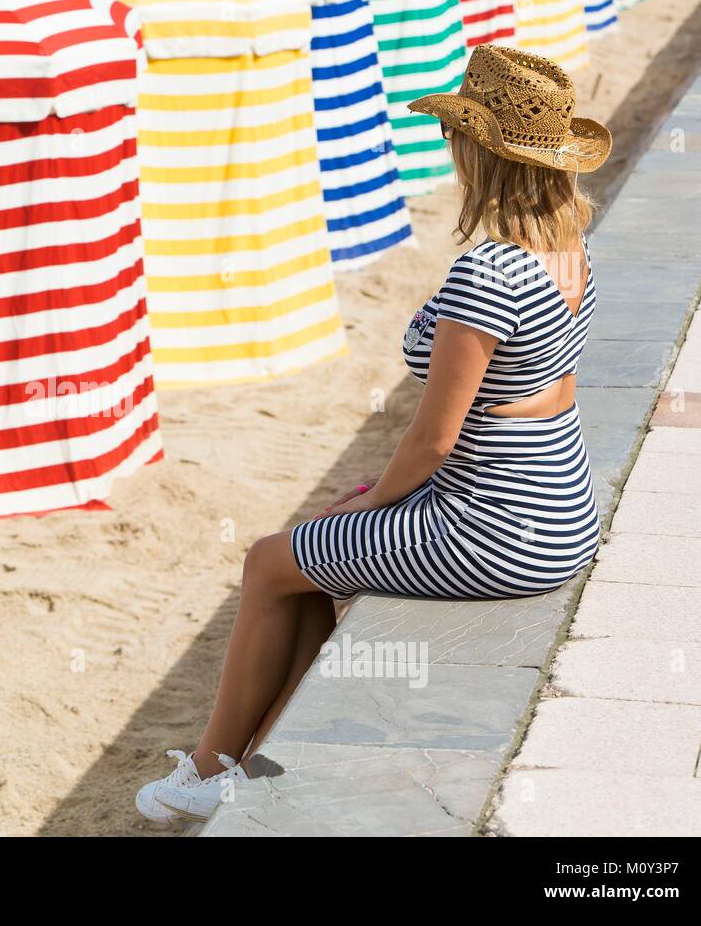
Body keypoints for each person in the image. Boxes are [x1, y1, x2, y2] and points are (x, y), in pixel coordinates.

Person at [136, 44, 613, 826]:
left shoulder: (489, 274)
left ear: (478, 152)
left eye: (458, 133)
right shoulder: (570, 247)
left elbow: (433, 442)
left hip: (497, 529)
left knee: (270, 559)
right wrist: (368, 507)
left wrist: (360, 509)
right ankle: (254, 764)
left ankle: (205, 769)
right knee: (310, 562)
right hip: (559, 507)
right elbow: (544, 389)